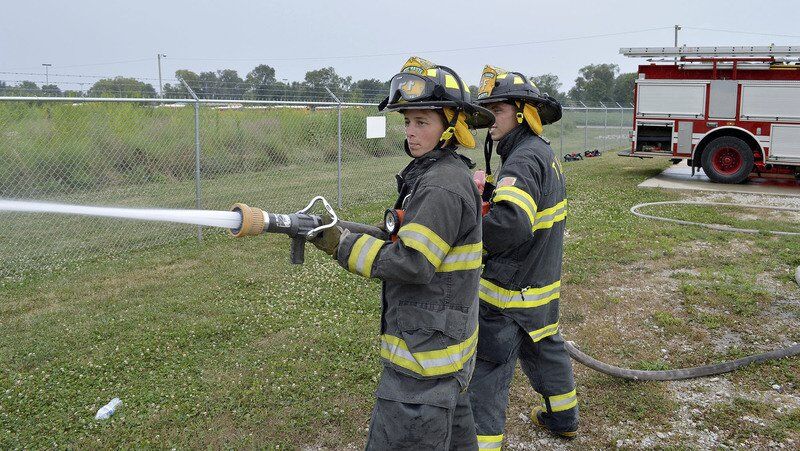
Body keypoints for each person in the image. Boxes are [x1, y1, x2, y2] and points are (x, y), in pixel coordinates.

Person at [312, 56, 494, 450]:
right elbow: (400, 236)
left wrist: (339, 245)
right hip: (445, 356)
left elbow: (412, 262)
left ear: (451, 126)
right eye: (407, 122)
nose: (410, 132)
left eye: (422, 122)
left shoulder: (440, 185)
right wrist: (336, 227)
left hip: (421, 368)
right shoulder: (439, 172)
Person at [466, 66, 577, 449]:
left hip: (509, 291)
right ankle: (563, 417)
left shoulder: (522, 160)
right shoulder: (541, 153)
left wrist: (471, 243)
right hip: (540, 285)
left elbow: (511, 223)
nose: (488, 120)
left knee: (489, 370)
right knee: (545, 350)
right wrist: (492, 191)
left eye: (496, 111)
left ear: (522, 112)